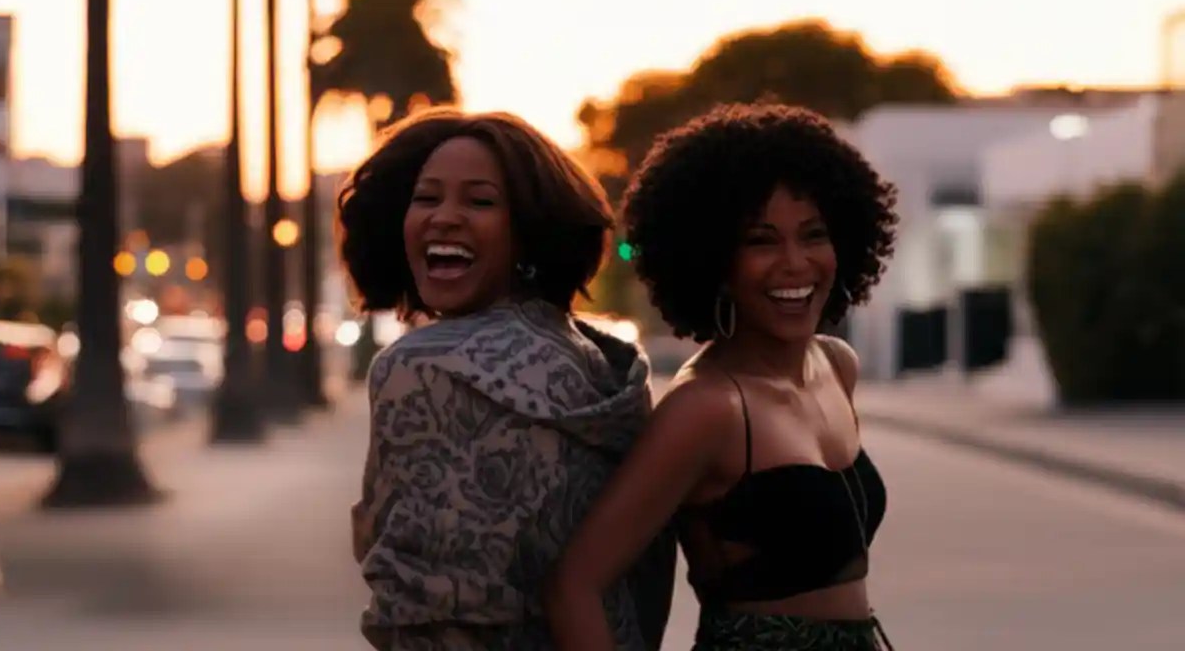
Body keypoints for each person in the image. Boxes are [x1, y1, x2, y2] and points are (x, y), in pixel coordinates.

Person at [545, 103, 900, 650]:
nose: (794, 263)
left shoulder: (835, 364)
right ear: (714, 262)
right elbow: (576, 585)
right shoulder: (706, 408)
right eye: (761, 241)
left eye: (813, 235)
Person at [338, 108, 677, 650]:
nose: (444, 218)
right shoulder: (605, 368)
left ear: (528, 232)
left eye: (480, 201)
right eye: (426, 198)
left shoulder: (422, 367)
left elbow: (421, 609)